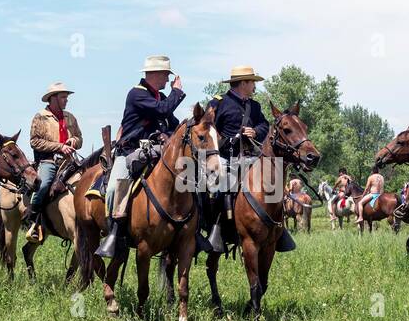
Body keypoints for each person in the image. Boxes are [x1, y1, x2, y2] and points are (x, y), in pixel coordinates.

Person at [96, 56, 186, 257]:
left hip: (156, 153)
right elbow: (163, 110)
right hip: (130, 152)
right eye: (165, 74)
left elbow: (174, 124)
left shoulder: (161, 97)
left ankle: (190, 230)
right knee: (114, 187)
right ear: (154, 74)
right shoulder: (136, 94)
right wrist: (177, 91)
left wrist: (169, 135)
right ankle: (114, 234)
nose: (167, 79)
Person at [202, 65, 281, 253]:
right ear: (244, 83)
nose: (255, 86)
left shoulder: (254, 106)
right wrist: (231, 139)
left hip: (251, 156)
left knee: (275, 183)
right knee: (218, 186)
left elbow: (264, 125)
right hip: (223, 156)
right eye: (252, 82)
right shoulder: (218, 103)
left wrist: (255, 131)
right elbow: (207, 130)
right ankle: (216, 228)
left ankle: (278, 229)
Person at [25, 82, 82, 244]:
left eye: (66, 97)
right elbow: (35, 142)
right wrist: (59, 147)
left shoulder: (70, 117)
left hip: (70, 161)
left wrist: (74, 141)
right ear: (53, 98)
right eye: (63, 97)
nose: (66, 100)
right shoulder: (41, 117)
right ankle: (33, 220)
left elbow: (80, 138)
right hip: (48, 160)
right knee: (43, 185)